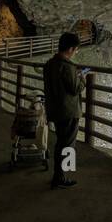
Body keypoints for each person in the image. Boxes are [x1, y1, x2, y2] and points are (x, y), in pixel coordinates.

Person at [43, 32, 83, 189]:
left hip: (56, 110)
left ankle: (59, 175)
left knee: (61, 142)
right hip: (69, 111)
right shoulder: (67, 67)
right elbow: (75, 88)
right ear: (71, 49)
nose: (76, 53)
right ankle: (62, 177)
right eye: (76, 50)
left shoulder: (50, 64)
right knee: (68, 144)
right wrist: (81, 77)